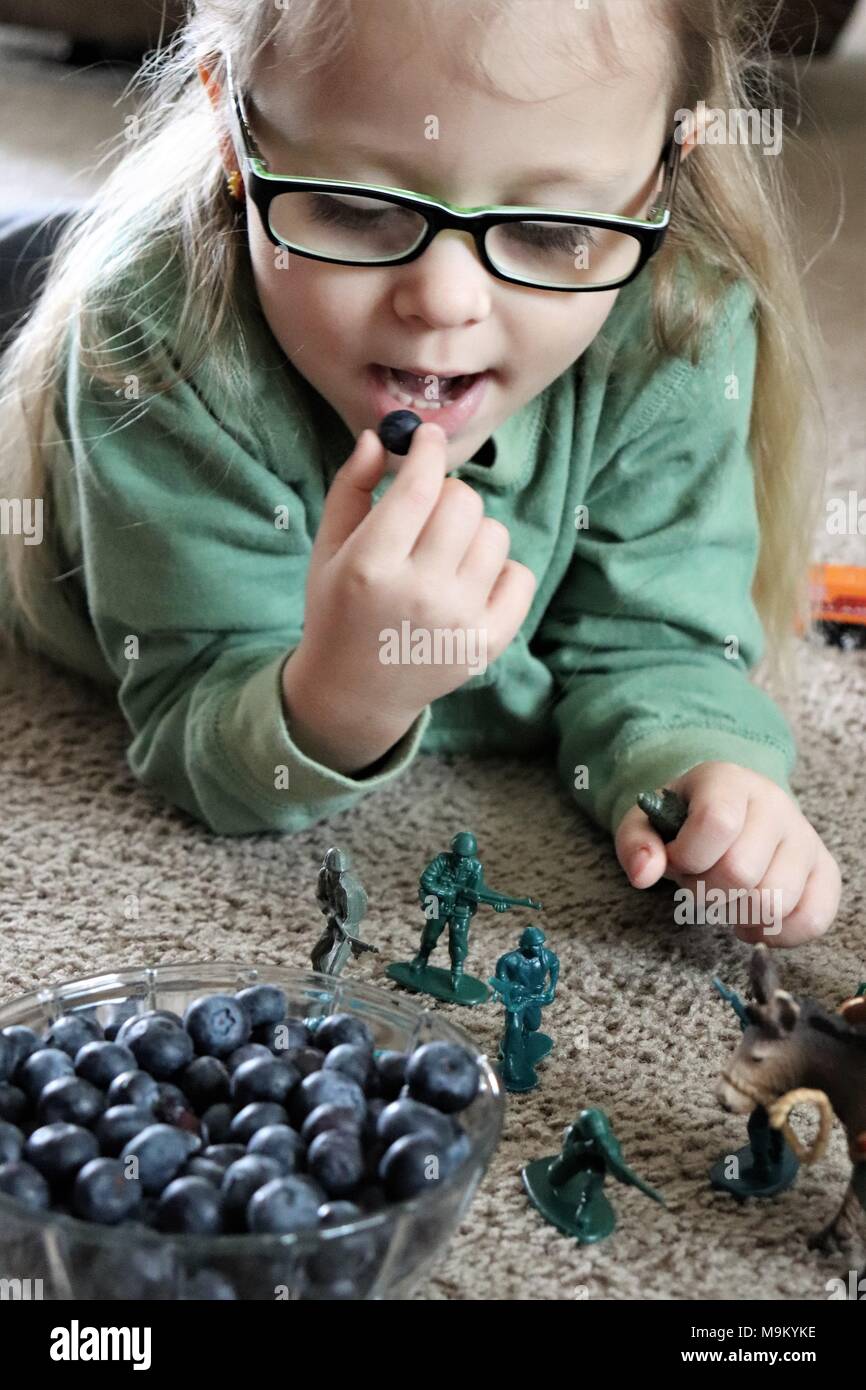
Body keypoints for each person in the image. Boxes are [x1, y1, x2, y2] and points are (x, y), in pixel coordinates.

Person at [0, 0, 841, 946]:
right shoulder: (154, 337)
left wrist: (704, 769)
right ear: (230, 127)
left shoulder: (678, 323)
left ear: (670, 165)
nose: (443, 301)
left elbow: (657, 644)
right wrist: (342, 693)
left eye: (549, 230)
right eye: (357, 210)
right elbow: (194, 717)